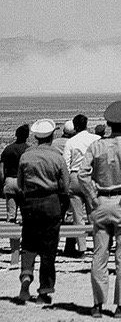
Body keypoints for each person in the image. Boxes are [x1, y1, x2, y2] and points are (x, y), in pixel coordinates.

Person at [79, 99, 121, 318]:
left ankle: (98, 304)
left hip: (100, 202)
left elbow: (82, 174)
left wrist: (91, 196)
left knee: (99, 255)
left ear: (108, 123)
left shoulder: (96, 146)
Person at [16, 119, 70, 305]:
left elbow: (20, 184)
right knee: (48, 249)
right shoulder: (57, 157)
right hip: (51, 203)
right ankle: (44, 291)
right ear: (52, 135)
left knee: (29, 243)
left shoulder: (26, 156)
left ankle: (25, 276)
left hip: (30, 204)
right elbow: (65, 186)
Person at [62, 114, 99, 257]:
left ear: (75, 126)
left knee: (78, 216)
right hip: (91, 176)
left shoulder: (70, 142)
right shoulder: (96, 140)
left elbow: (66, 164)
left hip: (75, 176)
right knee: (93, 214)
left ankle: (82, 248)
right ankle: (97, 247)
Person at [2, 123, 30, 224]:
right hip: (23, 182)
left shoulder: (8, 149)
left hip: (10, 181)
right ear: (27, 136)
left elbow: (1, 169)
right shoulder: (29, 150)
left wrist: (2, 183)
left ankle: (12, 237)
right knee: (26, 215)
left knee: (11, 214)